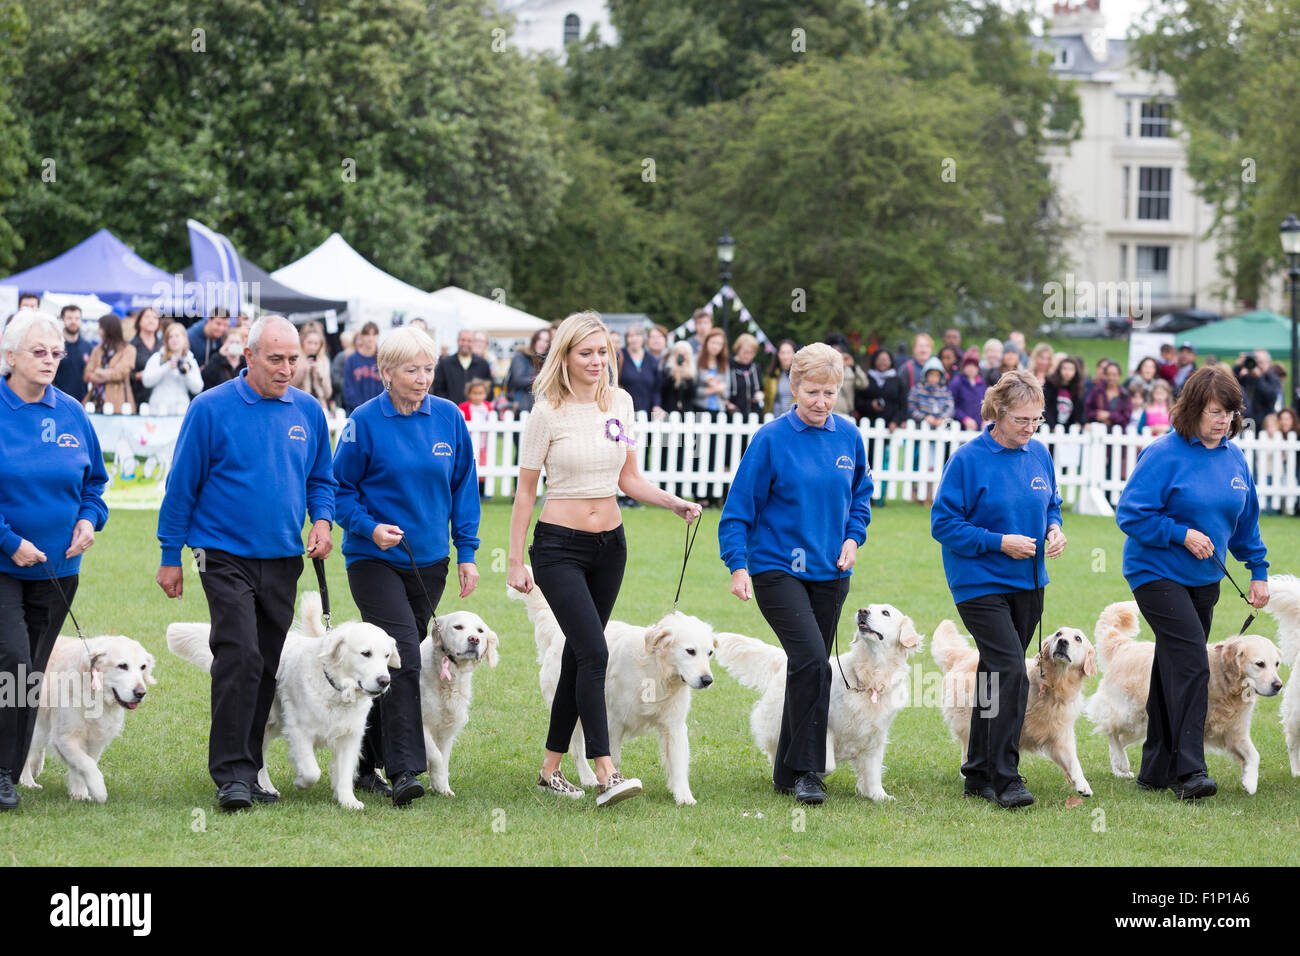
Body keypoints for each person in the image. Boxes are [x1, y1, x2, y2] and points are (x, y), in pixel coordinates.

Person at [507, 311, 701, 806]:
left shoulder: (621, 402)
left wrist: (673, 502)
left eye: (602, 353)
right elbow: (526, 493)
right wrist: (514, 560)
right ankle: (607, 769)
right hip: (557, 549)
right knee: (594, 652)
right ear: (565, 357)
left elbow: (629, 479)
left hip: (610, 548)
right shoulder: (546, 412)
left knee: (577, 655)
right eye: (585, 353)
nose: (596, 362)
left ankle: (550, 770)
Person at [156, 315, 336, 811]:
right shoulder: (210, 409)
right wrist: (170, 555)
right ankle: (232, 775)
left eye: (293, 359)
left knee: (265, 664)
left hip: (282, 556)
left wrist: (322, 520)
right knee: (238, 654)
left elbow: (322, 479)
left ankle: (251, 766)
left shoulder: (309, 412)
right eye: (275, 359)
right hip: (222, 553)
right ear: (248, 356)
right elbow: (181, 486)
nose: (285, 369)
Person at [332, 325, 480, 805]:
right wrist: (369, 526)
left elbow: (464, 487)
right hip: (374, 559)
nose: (422, 379)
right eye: (412, 370)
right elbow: (339, 491)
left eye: (429, 369)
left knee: (385, 666)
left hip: (430, 563)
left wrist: (469, 552)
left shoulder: (449, 419)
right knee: (405, 656)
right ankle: (406, 770)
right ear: (387, 372)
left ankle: (362, 763)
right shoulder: (363, 421)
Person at [720, 342, 872, 804]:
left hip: (831, 572)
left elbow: (860, 497)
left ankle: (786, 770)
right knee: (811, 660)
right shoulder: (770, 439)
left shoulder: (848, 438)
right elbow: (738, 509)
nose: (821, 401)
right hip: (776, 569)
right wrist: (738, 565)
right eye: (812, 392)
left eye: (829, 392)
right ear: (793, 387)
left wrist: (853, 538)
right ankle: (810, 770)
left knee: (810, 668)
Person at [1115, 364, 1269, 799]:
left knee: (1172, 667)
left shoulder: (1234, 457)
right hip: (1155, 572)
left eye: (1231, 412)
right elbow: (1131, 513)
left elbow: (1245, 523)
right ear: (1193, 409)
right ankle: (1190, 770)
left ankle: (1155, 768)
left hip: (1205, 578)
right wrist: (1179, 533)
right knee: (1191, 663)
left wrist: (1257, 571)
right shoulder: (1164, 453)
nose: (1224, 420)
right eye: (1216, 411)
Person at [931, 369, 1065, 808]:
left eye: (1037, 420)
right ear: (998, 412)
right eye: (1022, 420)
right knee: (1011, 671)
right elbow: (944, 524)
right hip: (978, 582)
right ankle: (1007, 777)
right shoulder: (968, 459)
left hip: (1028, 581)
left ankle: (977, 771)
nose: (1030, 429)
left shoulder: (1039, 455)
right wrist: (998, 542)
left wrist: (1054, 529)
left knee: (993, 675)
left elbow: (1052, 504)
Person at [0, 311, 109, 811]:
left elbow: (95, 485)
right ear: (9, 357)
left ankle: (9, 769)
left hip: (58, 571)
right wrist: (8, 541)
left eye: (56, 353)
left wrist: (90, 521)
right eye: (38, 352)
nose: (49, 361)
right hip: (5, 564)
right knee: (14, 664)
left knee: (28, 678)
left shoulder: (72, 412)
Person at [141, 321, 204, 415]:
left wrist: (186, 373)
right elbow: (146, 381)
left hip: (181, 412)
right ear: (166, 341)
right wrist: (166, 367)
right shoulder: (158, 357)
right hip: (158, 412)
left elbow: (198, 388)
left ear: (184, 339)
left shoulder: (190, 360)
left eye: (177, 336)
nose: (174, 340)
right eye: (170, 337)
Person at [83, 314, 136, 413]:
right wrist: (106, 375)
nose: (98, 331)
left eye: (100, 328)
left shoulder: (128, 350)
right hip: (95, 400)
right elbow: (87, 375)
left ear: (109, 329)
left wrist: (98, 371)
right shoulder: (97, 349)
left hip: (118, 402)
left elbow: (119, 374)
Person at [433, 329, 492, 407]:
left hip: (476, 412)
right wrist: (448, 405)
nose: (465, 343)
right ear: (457, 341)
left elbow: (489, 389)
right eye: (463, 340)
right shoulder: (445, 363)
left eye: (469, 341)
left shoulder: (483, 364)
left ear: (473, 342)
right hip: (451, 410)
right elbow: (438, 389)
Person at [51, 305, 95, 400]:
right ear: (62, 320)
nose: (73, 321)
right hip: (58, 401)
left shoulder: (88, 347)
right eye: (69, 318)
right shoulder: (55, 347)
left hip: (82, 403)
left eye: (77, 318)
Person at [459, 378, 492, 496]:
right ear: (469, 394)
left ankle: (483, 490)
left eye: (481, 393)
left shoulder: (488, 407)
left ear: (485, 394)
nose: (478, 396)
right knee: (471, 465)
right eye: (475, 393)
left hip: (484, 443)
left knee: (483, 464)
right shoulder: (464, 407)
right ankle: (471, 489)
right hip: (470, 442)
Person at [505, 327, 551, 414]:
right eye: (540, 339)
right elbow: (518, 380)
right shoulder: (521, 356)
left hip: (539, 407)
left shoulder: (546, 361)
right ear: (534, 340)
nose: (542, 343)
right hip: (519, 406)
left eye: (546, 341)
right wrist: (540, 379)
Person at [290, 322, 333, 411]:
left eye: (316, 343)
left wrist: (320, 374)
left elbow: (328, 393)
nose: (312, 347)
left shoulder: (323, 360)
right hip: (299, 405)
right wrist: (303, 370)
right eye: (309, 343)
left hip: (319, 406)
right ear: (302, 342)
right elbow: (289, 386)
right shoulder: (295, 358)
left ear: (320, 345)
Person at [342, 322, 383, 415]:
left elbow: (385, 387)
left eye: (374, 334)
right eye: (367, 334)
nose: (371, 338)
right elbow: (348, 388)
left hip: (378, 412)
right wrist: (361, 409)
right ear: (361, 336)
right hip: (356, 412)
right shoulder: (352, 360)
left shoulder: (382, 359)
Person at [128, 307, 162, 409]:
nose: (151, 320)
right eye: (147, 317)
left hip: (159, 398)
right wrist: (136, 376)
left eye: (155, 318)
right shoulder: (130, 346)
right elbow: (124, 372)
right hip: (136, 397)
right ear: (139, 321)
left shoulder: (164, 346)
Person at [1042, 356, 1086, 429]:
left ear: (1076, 371)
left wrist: (1081, 422)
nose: (1067, 372)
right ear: (1059, 370)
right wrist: (1051, 425)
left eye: (1071, 369)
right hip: (1049, 427)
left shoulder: (1078, 388)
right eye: (1064, 368)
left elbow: (1080, 410)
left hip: (1070, 429)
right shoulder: (1050, 385)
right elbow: (1046, 407)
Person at [1086, 360, 1132, 429]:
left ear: (1119, 376)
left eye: (1114, 375)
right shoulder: (1097, 391)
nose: (1111, 378)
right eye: (1108, 374)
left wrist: (1109, 415)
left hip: (1118, 434)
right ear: (1104, 375)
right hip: (1098, 431)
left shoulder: (1124, 395)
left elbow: (1126, 418)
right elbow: (1087, 411)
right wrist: (1098, 414)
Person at [729, 333, 764, 419]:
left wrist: (760, 395)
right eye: (745, 352)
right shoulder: (728, 366)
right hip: (733, 415)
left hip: (754, 415)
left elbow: (761, 388)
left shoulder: (756, 368)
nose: (748, 356)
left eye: (751, 353)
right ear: (737, 350)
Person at [950, 352, 987, 431]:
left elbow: (987, 405)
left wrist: (988, 419)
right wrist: (964, 419)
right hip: (961, 428)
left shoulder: (982, 385)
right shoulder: (957, 383)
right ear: (964, 367)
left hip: (980, 429)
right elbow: (952, 406)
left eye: (974, 366)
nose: (971, 368)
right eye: (968, 365)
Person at [660, 340, 697, 416]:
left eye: (685, 354)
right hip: (669, 411)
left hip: (687, 412)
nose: (682, 357)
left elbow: (693, 395)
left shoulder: (693, 372)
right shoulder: (667, 370)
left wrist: (687, 377)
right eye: (679, 354)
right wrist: (673, 376)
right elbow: (663, 391)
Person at [763, 339, 796, 418]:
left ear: (794, 354)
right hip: (774, 418)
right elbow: (767, 399)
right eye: (782, 353)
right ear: (778, 354)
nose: (785, 356)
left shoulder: (801, 375)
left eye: (788, 353)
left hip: (795, 418)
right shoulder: (771, 375)